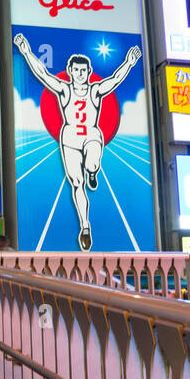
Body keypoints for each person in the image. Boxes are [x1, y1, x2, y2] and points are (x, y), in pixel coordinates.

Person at [13, 32, 141, 252]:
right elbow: (43, 74)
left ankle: (93, 171)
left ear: (88, 72)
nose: (80, 74)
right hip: (70, 138)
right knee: (76, 183)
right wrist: (26, 51)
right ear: (70, 71)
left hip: (91, 134)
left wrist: (129, 63)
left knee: (91, 164)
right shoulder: (64, 89)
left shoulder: (95, 90)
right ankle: (85, 226)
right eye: (76, 70)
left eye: (84, 70)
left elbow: (115, 80)